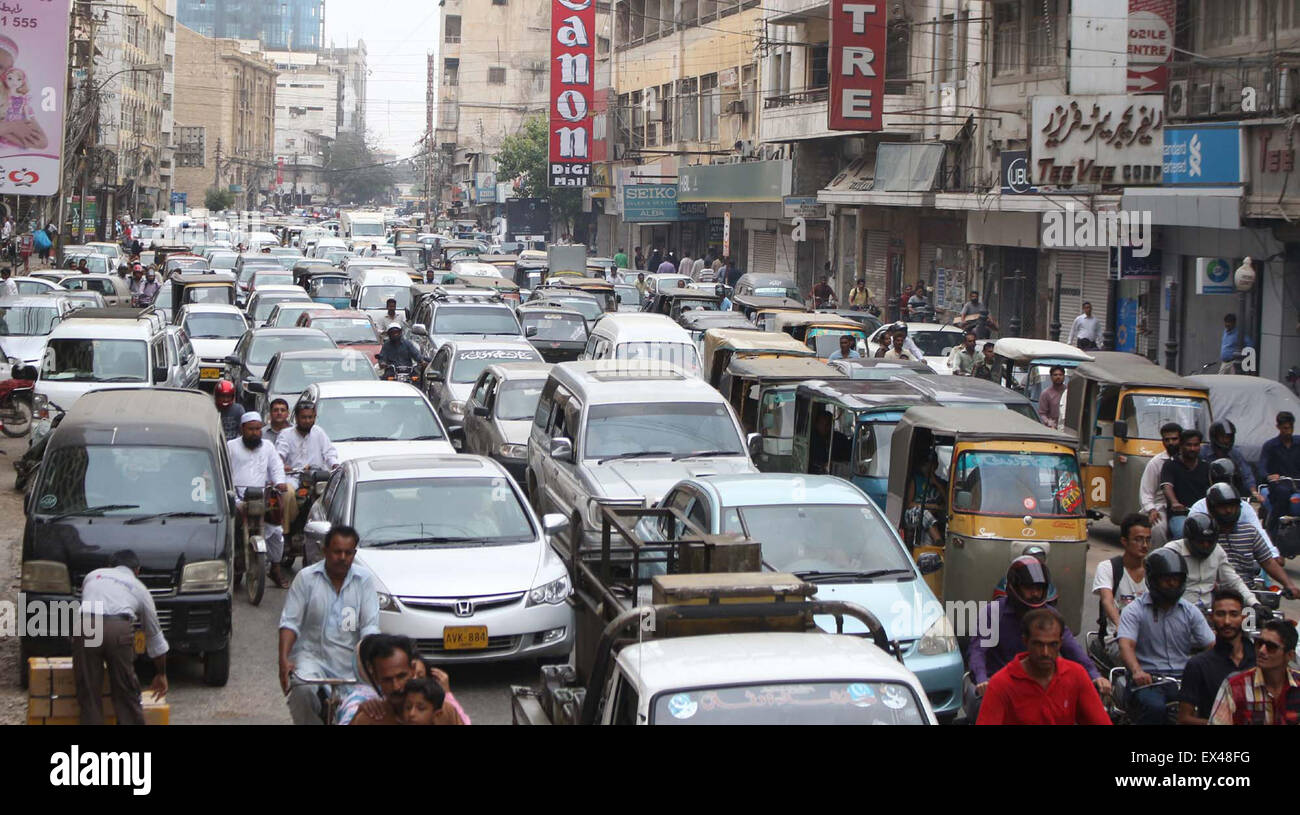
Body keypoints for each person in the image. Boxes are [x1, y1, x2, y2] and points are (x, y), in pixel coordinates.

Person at [965, 557, 1107, 721]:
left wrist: (1095, 676)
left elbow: (1073, 649)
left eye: (1039, 588)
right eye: (1029, 588)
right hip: (1002, 690)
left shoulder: (1052, 617)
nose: (1035, 594)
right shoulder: (993, 613)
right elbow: (977, 651)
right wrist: (983, 680)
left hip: (1044, 685)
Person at [279, 525, 380, 725]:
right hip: (311, 659)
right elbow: (290, 622)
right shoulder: (306, 579)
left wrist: (373, 662)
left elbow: (370, 627)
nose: (342, 557)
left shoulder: (364, 581)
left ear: (354, 553)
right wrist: (282, 659)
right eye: (337, 551)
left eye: (348, 553)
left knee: (371, 709)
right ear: (324, 551)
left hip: (351, 664)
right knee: (302, 690)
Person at [1116, 548, 1214, 725]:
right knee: (1155, 708)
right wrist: (1138, 671)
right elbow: (1126, 645)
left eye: (1176, 580)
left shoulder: (1190, 611)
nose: (1172, 584)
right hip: (1149, 682)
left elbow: (1211, 644)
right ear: (1153, 580)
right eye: (1166, 580)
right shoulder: (1134, 610)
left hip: (1183, 681)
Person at [72, 550, 169, 725]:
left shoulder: (93, 575)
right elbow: (154, 635)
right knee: (126, 691)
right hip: (118, 630)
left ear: (110, 566)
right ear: (137, 570)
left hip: (86, 626)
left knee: (88, 692)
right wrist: (161, 673)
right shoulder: (139, 587)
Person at [975, 608, 1111, 726]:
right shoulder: (1001, 684)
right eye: (1038, 644)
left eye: (1053, 645)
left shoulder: (1076, 675)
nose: (1046, 652)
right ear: (1025, 642)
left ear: (1060, 643)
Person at [335, 633, 468, 725]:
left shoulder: (443, 712)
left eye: (401, 676)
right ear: (375, 678)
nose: (396, 686)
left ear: (412, 669)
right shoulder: (370, 718)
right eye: (387, 680)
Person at [228, 411, 290, 588]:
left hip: (262, 497)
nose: (255, 433)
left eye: (257, 429)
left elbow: (277, 466)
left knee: (276, 531)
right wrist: (235, 499)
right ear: (242, 429)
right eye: (251, 429)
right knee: (232, 529)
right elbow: (225, 473)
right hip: (238, 498)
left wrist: (280, 483)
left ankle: (275, 569)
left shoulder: (268, 446)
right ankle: (235, 565)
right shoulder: (230, 446)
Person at [1203, 481, 1298, 596]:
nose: (1229, 510)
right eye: (1223, 507)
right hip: (1213, 595)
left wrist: (1289, 584)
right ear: (1212, 508)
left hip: (1248, 594)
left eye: (1232, 506)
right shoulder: (1204, 534)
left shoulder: (1250, 532)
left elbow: (1268, 562)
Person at [1177, 589, 1254, 725]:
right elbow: (1184, 719)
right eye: (1220, 614)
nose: (1227, 621)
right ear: (1211, 617)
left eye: (1233, 614)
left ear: (1243, 618)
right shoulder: (1198, 665)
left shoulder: (1259, 659)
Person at [276, 401, 340, 554]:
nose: (307, 421)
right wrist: (281, 463)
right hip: (293, 477)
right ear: (296, 418)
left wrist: (335, 465)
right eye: (304, 418)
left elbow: (329, 453)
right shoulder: (286, 434)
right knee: (287, 493)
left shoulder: (319, 432)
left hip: (316, 478)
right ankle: (287, 533)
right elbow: (279, 454)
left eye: (310, 417)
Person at [1162, 512, 1260, 611]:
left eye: (1210, 541)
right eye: (1201, 541)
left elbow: (1234, 581)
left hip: (1208, 612)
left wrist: (1254, 603)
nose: (1206, 545)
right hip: (1177, 610)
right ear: (1189, 539)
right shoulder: (1172, 552)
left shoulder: (1217, 551)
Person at [1208, 619, 1300, 725]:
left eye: (1271, 647)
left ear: (1289, 655)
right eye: (1259, 643)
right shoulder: (1235, 686)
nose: (1261, 650)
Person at [1092, 514, 1150, 666]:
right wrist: (1122, 627)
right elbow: (1107, 600)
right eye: (1138, 539)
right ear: (1124, 541)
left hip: (1149, 639)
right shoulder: (1108, 568)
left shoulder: (1153, 570)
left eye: (1147, 539)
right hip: (1116, 639)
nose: (1144, 545)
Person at [1189, 458, 1273, 549]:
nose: (1228, 510)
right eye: (1221, 507)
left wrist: (1273, 553)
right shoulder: (1199, 508)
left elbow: (1259, 533)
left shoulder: (1245, 507)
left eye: (1232, 506)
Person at [1160, 429, 1210, 539]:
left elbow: (1212, 488)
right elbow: (1167, 486)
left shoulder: (1205, 465)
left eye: (1196, 445)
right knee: (1183, 534)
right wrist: (1174, 502)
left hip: (1203, 513)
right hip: (1180, 514)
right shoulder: (1170, 464)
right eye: (1189, 445)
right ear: (1181, 446)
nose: (1192, 448)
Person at [1140, 422, 1183, 547]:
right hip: (1161, 508)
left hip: (1184, 507)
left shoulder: (1187, 460)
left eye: (1174, 439)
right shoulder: (1156, 462)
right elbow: (1146, 492)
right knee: (1158, 528)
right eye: (1167, 439)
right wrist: (1151, 510)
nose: (1170, 443)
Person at [1199, 420, 1260, 503]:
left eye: (1229, 437)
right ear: (1214, 437)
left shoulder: (1235, 453)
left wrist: (1254, 492)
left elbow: (1246, 473)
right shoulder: (1202, 452)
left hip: (1231, 492)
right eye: (1223, 437)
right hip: (1207, 492)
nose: (1226, 440)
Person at [1261, 410, 1300, 538]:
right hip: (1280, 485)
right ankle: (1274, 533)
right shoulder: (1270, 446)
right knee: (1282, 495)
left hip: (1298, 483)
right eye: (1285, 428)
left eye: (1290, 428)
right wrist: (1269, 476)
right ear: (1278, 427)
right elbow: (1262, 467)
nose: (1288, 431)